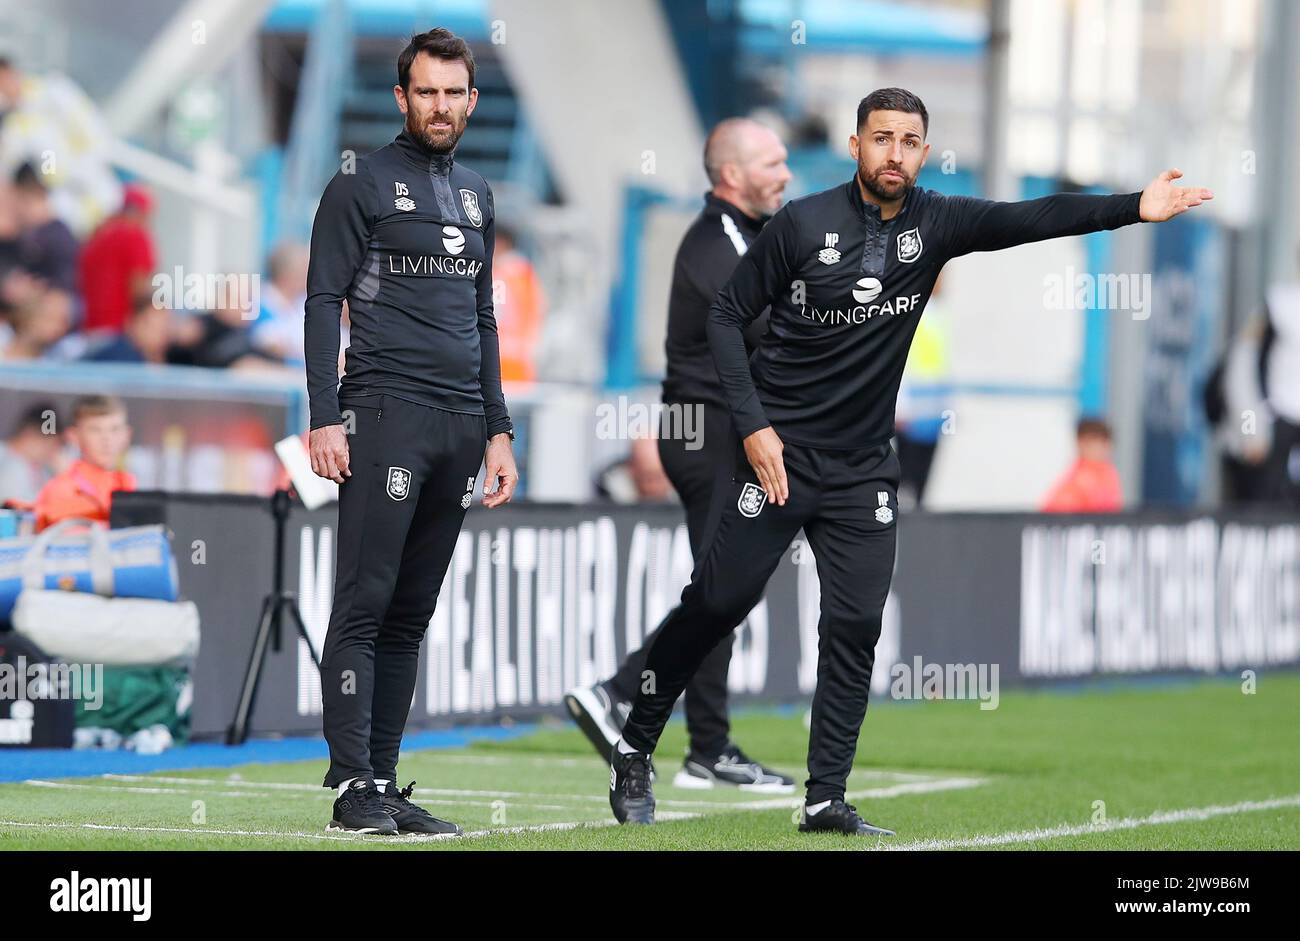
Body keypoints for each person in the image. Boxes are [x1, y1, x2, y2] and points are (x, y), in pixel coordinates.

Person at [607, 87, 1212, 835]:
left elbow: (1031, 218)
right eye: (881, 137)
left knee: (856, 623)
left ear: (924, 153)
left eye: (909, 140)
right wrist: (755, 427)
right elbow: (728, 317)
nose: (894, 152)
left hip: (862, 470)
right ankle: (635, 745)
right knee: (717, 603)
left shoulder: (940, 220)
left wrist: (1133, 206)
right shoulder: (802, 223)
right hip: (776, 460)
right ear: (858, 144)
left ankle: (825, 796)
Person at [305, 28, 518, 836]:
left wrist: (498, 430)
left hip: (462, 424)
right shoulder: (359, 182)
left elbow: (484, 314)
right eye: (424, 92)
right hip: (384, 411)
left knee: (411, 614)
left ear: (470, 99)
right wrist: (326, 413)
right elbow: (323, 300)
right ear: (402, 99)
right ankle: (351, 784)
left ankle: (385, 779)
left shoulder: (478, 193)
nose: (440, 106)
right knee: (363, 601)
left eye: (453, 93)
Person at [566, 117, 796, 792]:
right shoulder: (717, 240)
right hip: (705, 429)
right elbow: (773, 330)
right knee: (723, 585)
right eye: (772, 163)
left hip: (718, 427)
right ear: (730, 175)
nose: (785, 173)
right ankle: (619, 693)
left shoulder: (748, 233)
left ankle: (707, 746)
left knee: (727, 585)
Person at [32, 395, 136, 532]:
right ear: (74, 436)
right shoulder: (61, 490)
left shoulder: (128, 485)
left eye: (115, 429)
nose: (107, 440)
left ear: (126, 435)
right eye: (95, 430)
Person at [77, 184, 156, 335]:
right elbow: (139, 289)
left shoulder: (96, 235)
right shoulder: (135, 235)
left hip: (88, 330)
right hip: (119, 332)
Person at [1040, 418, 1123, 512]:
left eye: (1103, 443)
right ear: (1080, 444)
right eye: (1091, 443)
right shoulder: (1077, 479)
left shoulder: (1109, 472)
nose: (1098, 449)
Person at [0, 402, 63, 507]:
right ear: (29, 434)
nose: (53, 451)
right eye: (50, 443)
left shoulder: (44, 470)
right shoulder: (5, 458)